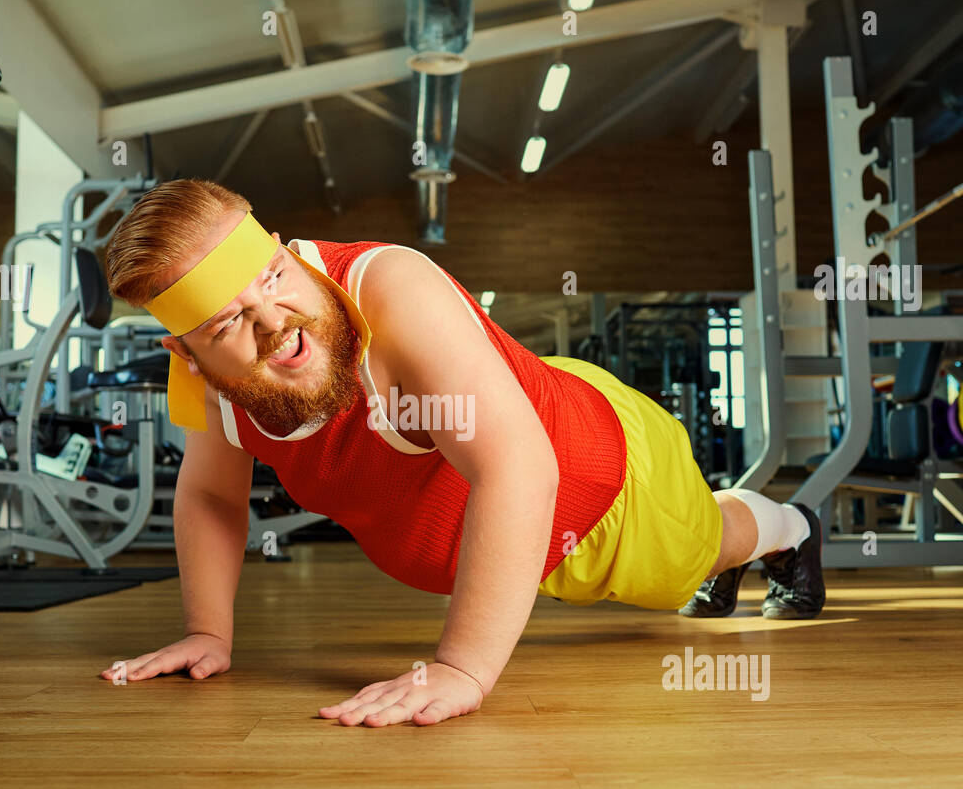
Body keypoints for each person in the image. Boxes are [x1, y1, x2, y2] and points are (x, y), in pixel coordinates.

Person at [97, 178, 824, 727]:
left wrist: (461, 669)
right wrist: (207, 631)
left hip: (603, 481)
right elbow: (212, 497)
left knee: (704, 550)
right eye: (227, 322)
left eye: (272, 279)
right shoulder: (209, 383)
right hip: (517, 523)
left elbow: (518, 468)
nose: (271, 322)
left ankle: (792, 529)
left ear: (286, 251)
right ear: (186, 354)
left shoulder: (390, 287)